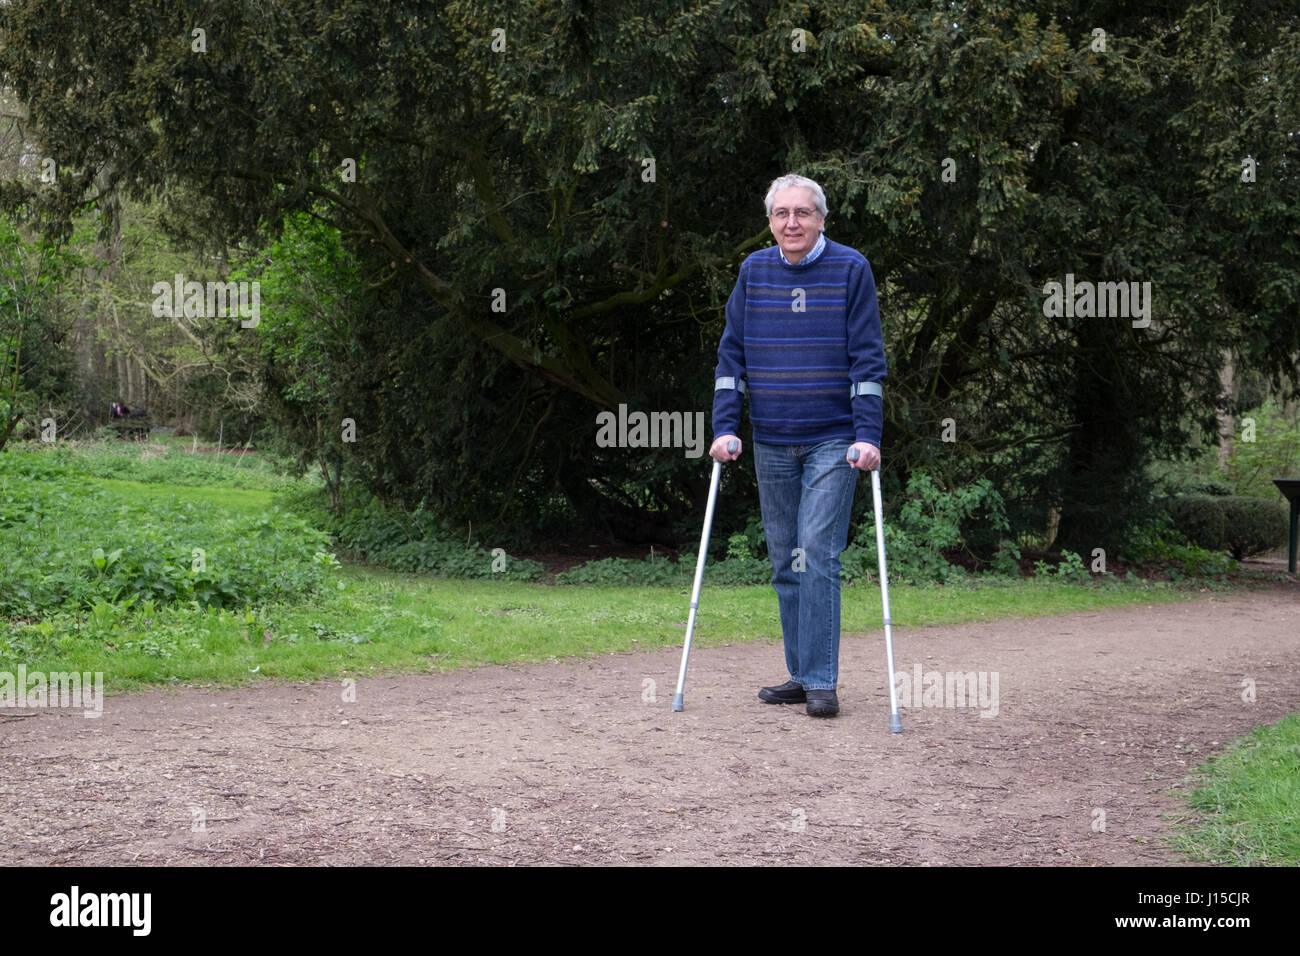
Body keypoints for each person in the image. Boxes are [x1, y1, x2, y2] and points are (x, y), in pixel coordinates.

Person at [710, 173, 886, 718]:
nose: (792, 223)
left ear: (822, 219)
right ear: (770, 221)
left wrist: (868, 435)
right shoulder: (754, 272)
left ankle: (822, 681)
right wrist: (724, 427)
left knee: (816, 552)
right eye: (782, 213)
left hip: (834, 439)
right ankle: (801, 673)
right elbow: (731, 357)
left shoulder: (852, 269)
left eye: (803, 213)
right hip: (771, 438)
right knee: (787, 560)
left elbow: (867, 360)